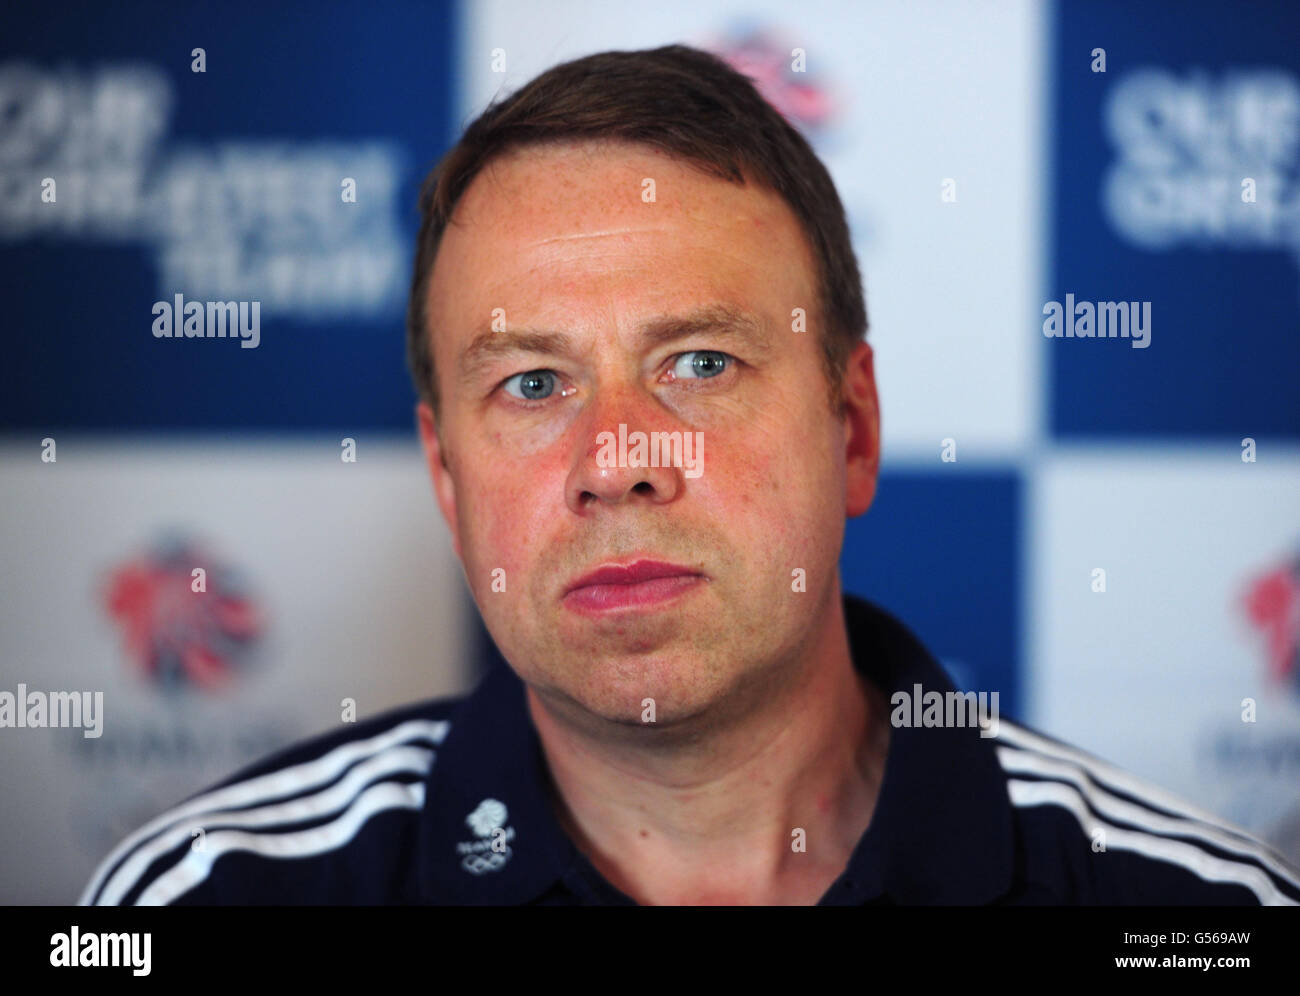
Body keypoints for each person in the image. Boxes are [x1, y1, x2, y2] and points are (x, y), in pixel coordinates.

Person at [81, 44, 1300, 906]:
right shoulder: (201, 901)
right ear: (449, 489)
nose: (618, 464)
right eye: (532, 384)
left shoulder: (1194, 912)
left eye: (700, 362)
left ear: (853, 430)